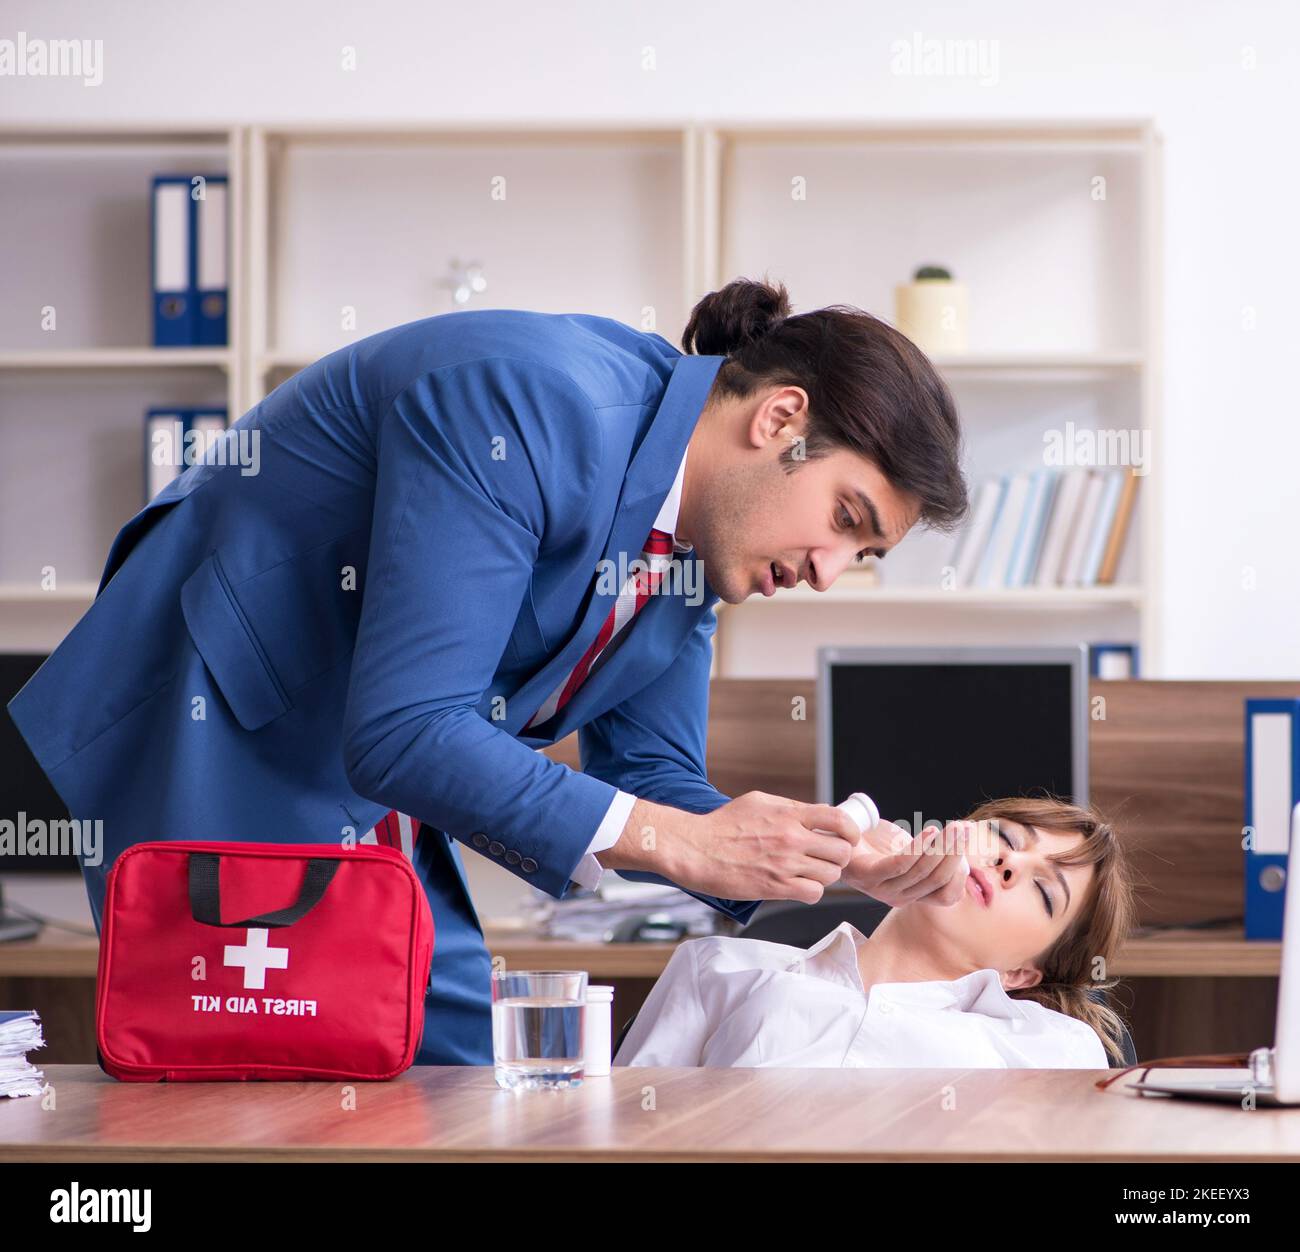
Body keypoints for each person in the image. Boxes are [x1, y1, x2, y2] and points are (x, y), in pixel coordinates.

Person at [6, 277, 969, 1064]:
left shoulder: (697, 554)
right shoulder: (527, 401)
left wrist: (829, 858)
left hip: (374, 760)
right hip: (225, 703)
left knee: (463, 1067)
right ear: (779, 420)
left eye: (865, 554)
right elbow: (407, 732)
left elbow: (647, 785)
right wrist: (677, 840)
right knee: (256, 1081)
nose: (827, 573)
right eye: (846, 519)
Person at [615, 796, 1138, 1069]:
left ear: (1021, 971)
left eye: (1044, 892)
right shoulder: (720, 967)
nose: (1008, 862)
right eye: (1004, 836)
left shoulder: (1054, 1048)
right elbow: (619, 1140)